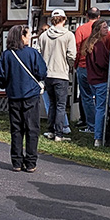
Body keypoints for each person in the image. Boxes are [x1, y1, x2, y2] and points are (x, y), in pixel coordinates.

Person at [0, 24, 48, 173]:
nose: (30, 36)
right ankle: (31, 162)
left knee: (16, 129)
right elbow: (42, 72)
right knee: (32, 128)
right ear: (21, 36)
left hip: (14, 95)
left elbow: (1, 78)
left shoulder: (7, 55)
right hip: (31, 94)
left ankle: (17, 161)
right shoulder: (32, 53)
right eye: (27, 34)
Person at [38, 9, 76, 142]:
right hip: (61, 74)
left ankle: (50, 130)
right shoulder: (68, 35)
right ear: (64, 19)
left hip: (48, 74)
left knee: (52, 104)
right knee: (61, 105)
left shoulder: (43, 36)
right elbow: (72, 55)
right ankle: (59, 133)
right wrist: (69, 65)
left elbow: (38, 54)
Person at [83, 19, 110, 147]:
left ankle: (100, 135)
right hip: (101, 79)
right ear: (98, 30)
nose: (107, 30)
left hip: (93, 79)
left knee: (99, 107)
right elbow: (102, 63)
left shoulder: (89, 43)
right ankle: (98, 137)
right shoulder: (99, 45)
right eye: (105, 27)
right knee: (101, 108)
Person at [74, 6, 101, 132]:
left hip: (84, 66)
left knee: (86, 97)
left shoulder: (81, 29)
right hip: (98, 67)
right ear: (99, 17)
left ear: (86, 16)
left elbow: (78, 49)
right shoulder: (103, 30)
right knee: (100, 97)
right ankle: (101, 125)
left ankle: (92, 125)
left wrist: (76, 64)